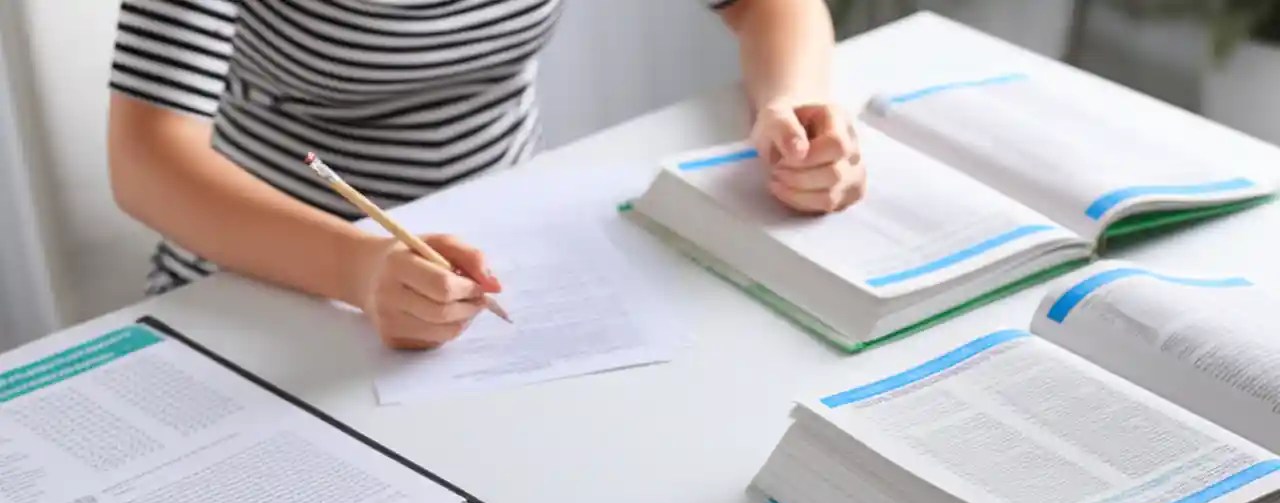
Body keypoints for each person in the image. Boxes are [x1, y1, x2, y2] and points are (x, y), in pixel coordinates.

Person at [108, 0, 865, 349]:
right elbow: (146, 162)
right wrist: (359, 266)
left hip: (505, 269)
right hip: (267, 291)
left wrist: (792, 101)